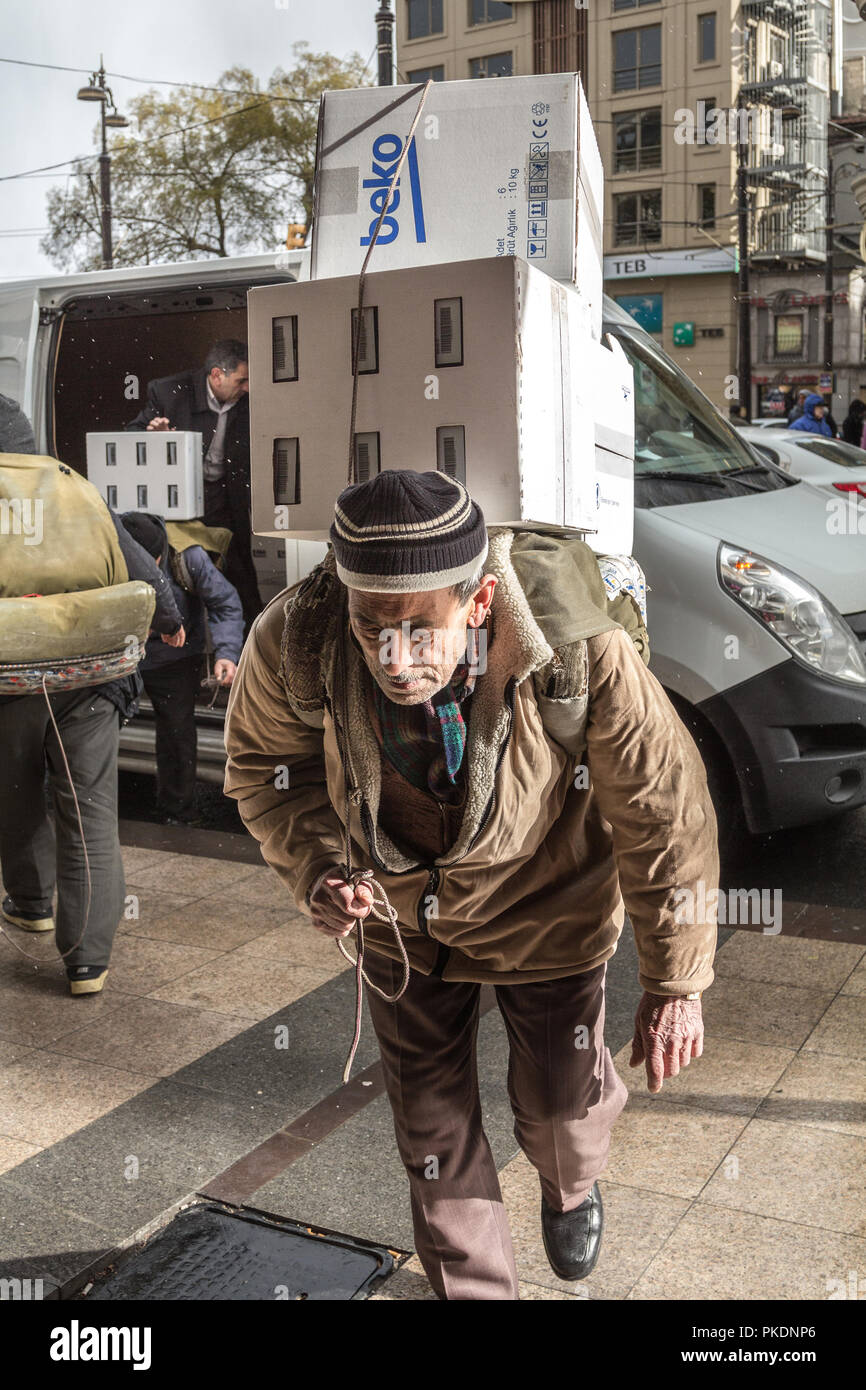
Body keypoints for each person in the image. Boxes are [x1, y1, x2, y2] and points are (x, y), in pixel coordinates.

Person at [223, 470, 718, 1301]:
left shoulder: (579, 651)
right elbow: (267, 770)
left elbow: (666, 813)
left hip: (546, 904)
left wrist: (677, 983)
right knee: (431, 1124)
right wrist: (317, 866)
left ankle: (571, 1185)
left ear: (480, 601)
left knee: (559, 1110)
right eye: (371, 626)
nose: (393, 659)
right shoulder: (296, 639)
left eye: (421, 630)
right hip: (398, 922)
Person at [0, 400, 185, 995]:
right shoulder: (76, 489)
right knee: (89, 815)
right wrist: (170, 620)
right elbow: (144, 574)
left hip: (8, 684)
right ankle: (87, 962)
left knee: (18, 796)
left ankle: (31, 904)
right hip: (90, 683)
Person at [124, 340, 262, 633]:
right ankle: (191, 644)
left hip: (225, 496)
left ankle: (251, 646)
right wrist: (155, 438)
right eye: (242, 380)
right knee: (185, 574)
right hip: (180, 501)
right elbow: (130, 438)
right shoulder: (168, 392)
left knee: (240, 574)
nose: (247, 387)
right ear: (216, 375)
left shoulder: (251, 399)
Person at [120, 512, 243, 826]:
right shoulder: (108, 550)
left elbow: (225, 602)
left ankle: (178, 813)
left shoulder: (187, 557)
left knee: (177, 733)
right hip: (122, 654)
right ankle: (115, 803)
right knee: (102, 726)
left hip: (174, 657)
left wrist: (227, 653)